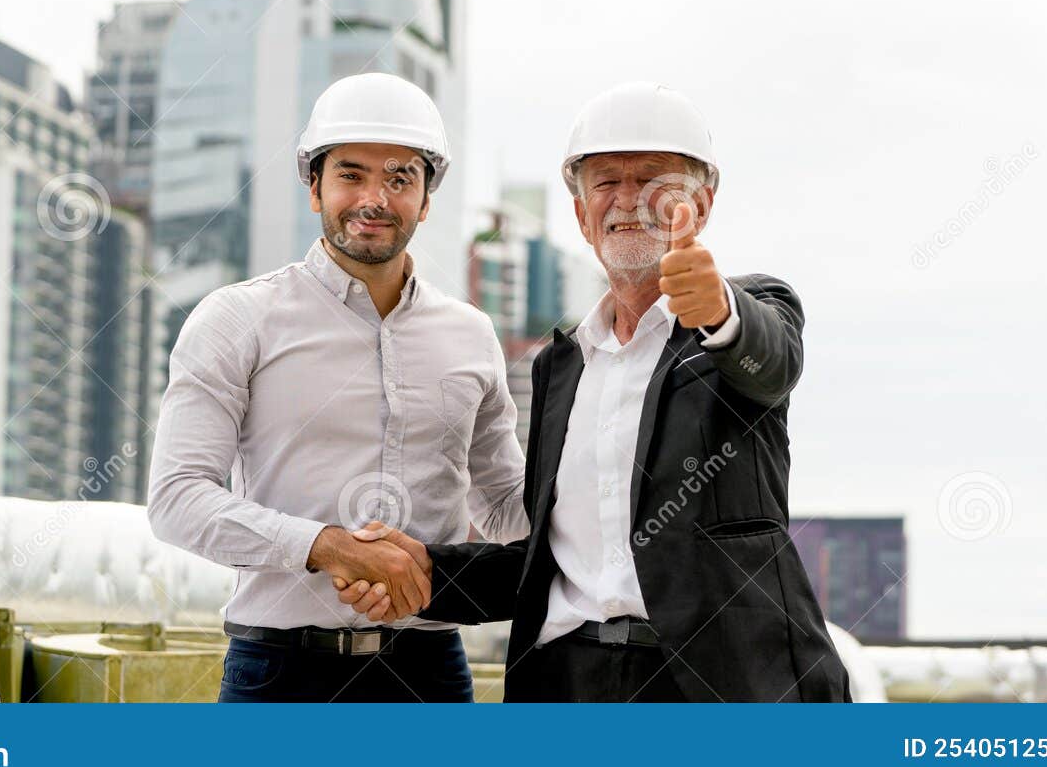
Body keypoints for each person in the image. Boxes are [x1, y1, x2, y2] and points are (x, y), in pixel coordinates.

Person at [335, 82, 852, 702]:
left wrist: (719, 309)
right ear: (581, 214)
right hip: (570, 685)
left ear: (704, 202)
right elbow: (554, 561)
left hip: (718, 687)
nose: (629, 201)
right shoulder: (561, 366)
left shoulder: (750, 314)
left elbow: (771, 362)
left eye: (656, 181)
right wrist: (421, 571)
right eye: (606, 182)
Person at [147, 72, 528, 703]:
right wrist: (327, 548)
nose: (375, 198)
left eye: (401, 178)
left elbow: (504, 503)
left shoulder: (471, 334)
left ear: (427, 199)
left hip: (429, 676)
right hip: (278, 675)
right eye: (351, 174)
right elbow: (178, 499)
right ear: (314, 187)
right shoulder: (237, 319)